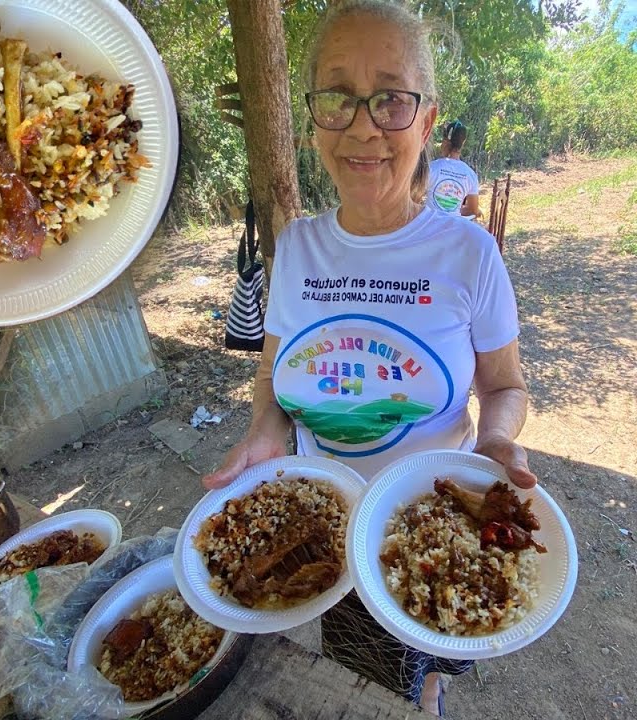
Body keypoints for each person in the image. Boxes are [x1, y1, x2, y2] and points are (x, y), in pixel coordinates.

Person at [201, 2, 533, 715]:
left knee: (440, 641)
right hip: (333, 531)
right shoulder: (294, 248)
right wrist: (266, 430)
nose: (362, 126)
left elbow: (504, 384)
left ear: (427, 117)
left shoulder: (469, 254)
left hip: (437, 520)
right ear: (312, 115)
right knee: (369, 675)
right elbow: (273, 373)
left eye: (390, 99)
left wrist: (499, 440)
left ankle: (435, 683)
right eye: (337, 98)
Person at [426, 120, 481, 217]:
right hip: (454, 229)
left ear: (445, 141)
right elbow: (473, 210)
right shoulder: (470, 174)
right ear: (463, 142)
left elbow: (413, 198)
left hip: (430, 227)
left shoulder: (431, 168)